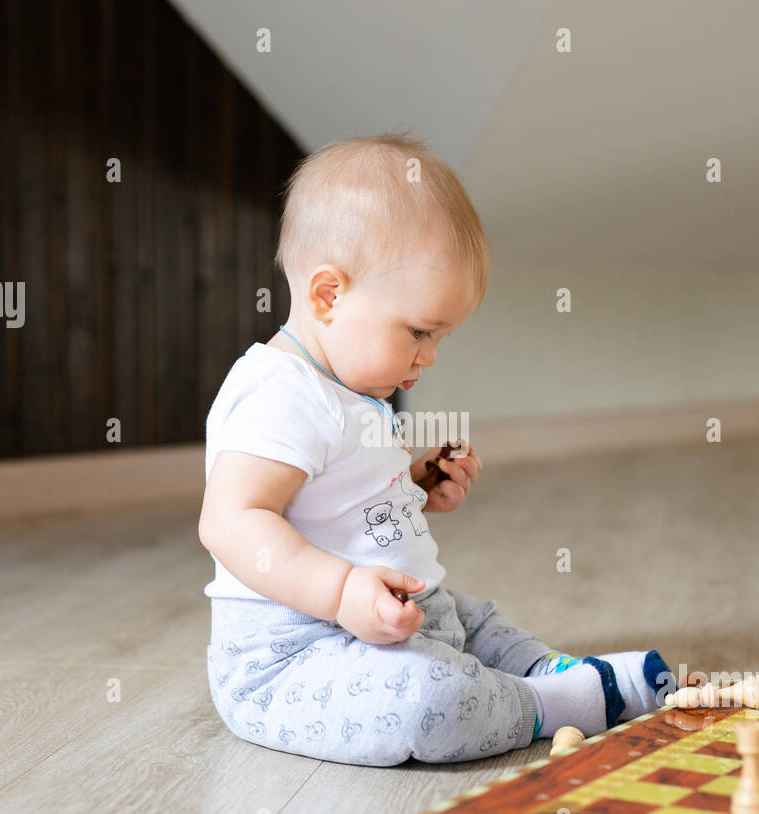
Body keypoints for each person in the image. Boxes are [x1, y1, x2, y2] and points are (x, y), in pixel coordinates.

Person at [199, 133, 675, 765]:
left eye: (440, 337)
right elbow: (231, 521)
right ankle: (551, 705)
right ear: (328, 295)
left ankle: (546, 671)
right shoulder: (279, 394)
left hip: (392, 615)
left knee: (473, 620)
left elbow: (337, 503)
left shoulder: (353, 387)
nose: (429, 355)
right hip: (294, 656)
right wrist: (340, 592)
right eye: (419, 331)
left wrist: (414, 484)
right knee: (429, 703)